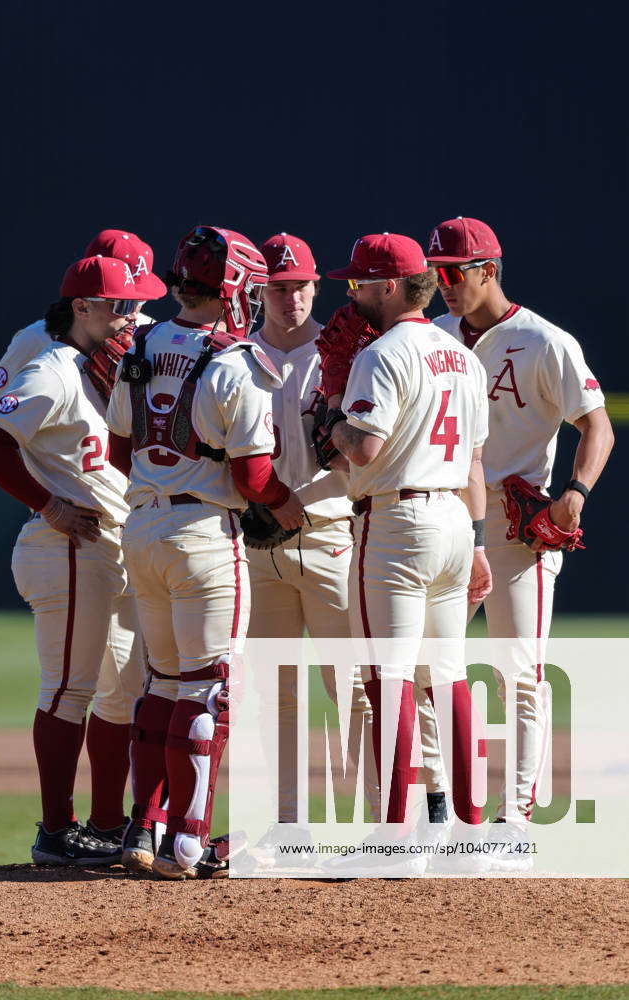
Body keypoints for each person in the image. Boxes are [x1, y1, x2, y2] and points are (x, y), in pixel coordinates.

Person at [106, 225, 304, 879]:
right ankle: (187, 841)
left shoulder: (141, 342)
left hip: (142, 525)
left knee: (160, 682)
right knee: (209, 688)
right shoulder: (235, 359)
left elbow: (118, 447)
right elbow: (251, 477)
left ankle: (147, 824)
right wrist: (285, 505)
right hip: (202, 535)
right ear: (234, 288)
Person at [426, 216, 614, 867]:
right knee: (431, 671)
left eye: (453, 271)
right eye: (435, 272)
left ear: (487, 270)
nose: (442, 283)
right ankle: (445, 813)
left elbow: (597, 427)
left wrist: (577, 491)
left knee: (520, 676)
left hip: (516, 534)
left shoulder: (542, 341)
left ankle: (514, 820)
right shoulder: (433, 337)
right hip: (445, 532)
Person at [0, 255, 166, 864]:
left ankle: (107, 826)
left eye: (135, 304)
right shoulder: (51, 368)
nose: (130, 315)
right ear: (81, 307)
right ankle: (56, 831)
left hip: (103, 544)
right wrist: (49, 504)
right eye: (119, 306)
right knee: (67, 691)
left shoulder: (96, 363)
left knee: (120, 693)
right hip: (68, 545)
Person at [321, 233, 492, 873]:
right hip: (453, 518)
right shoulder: (462, 355)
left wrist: (331, 416)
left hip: (396, 524)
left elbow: (360, 450)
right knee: (446, 677)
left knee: (386, 678)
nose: (353, 293)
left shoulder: (381, 353)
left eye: (359, 283)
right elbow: (475, 463)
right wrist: (475, 543)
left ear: (389, 286)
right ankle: (472, 837)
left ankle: (395, 841)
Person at [245, 233, 380, 834]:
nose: (290, 297)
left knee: (353, 688)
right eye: (277, 287)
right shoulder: (237, 357)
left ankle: (384, 821)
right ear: (260, 291)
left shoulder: (342, 355)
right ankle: (287, 822)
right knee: (276, 691)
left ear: (315, 286)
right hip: (257, 545)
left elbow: (359, 463)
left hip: (329, 535)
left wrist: (293, 504)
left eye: (299, 285)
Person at [0, 229, 162, 428]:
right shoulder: (37, 339)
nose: (134, 311)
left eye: (141, 300)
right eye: (123, 301)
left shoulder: (149, 332)